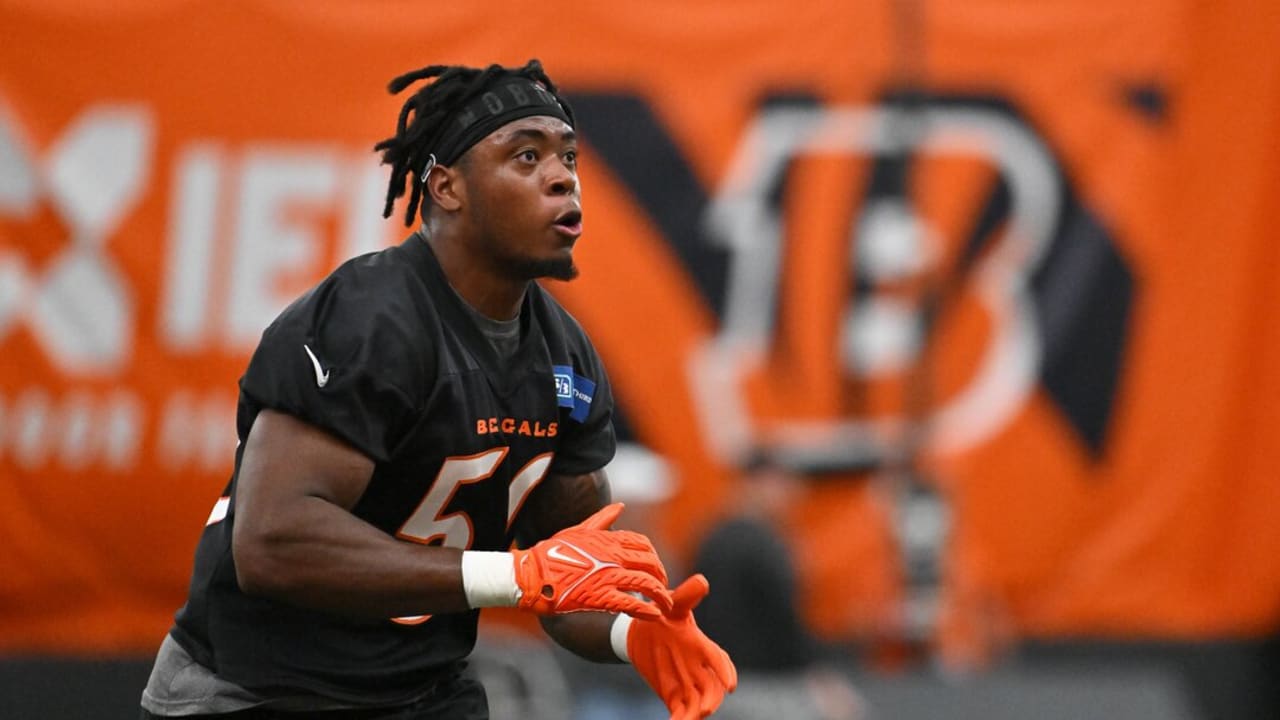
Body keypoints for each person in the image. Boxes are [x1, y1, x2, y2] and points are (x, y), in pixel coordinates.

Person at [139, 59, 735, 720]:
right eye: (527, 156)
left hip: (418, 691)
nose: (564, 176)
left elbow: (570, 574)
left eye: (567, 155)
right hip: (260, 688)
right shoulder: (371, 320)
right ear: (447, 188)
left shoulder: (565, 357)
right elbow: (272, 544)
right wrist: (515, 576)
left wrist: (634, 631)